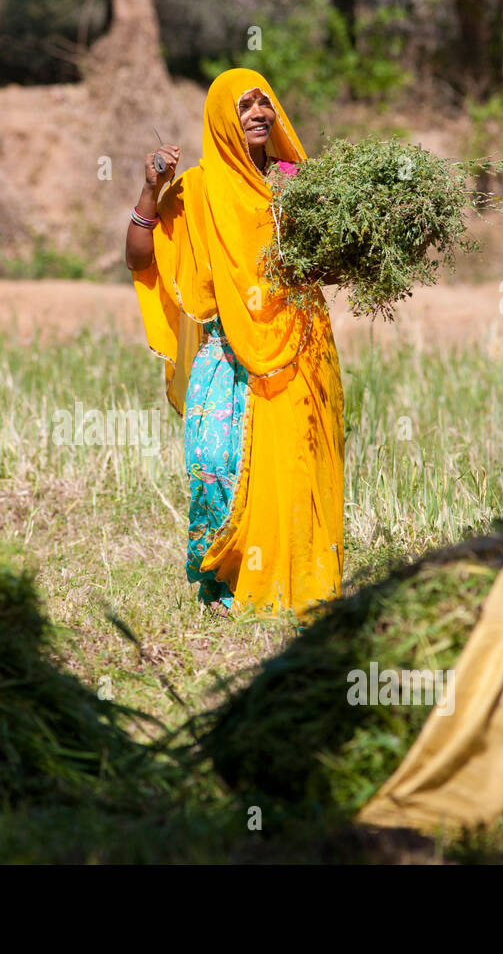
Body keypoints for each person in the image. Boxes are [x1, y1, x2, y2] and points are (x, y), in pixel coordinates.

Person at [127, 68, 345, 618]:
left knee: (291, 465)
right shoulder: (196, 191)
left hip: (293, 347)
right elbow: (139, 258)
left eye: (264, 103)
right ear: (223, 117)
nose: (257, 113)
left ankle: (288, 578)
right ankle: (224, 586)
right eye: (244, 105)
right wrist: (152, 191)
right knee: (213, 462)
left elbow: (329, 264)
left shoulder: (295, 183)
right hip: (224, 351)